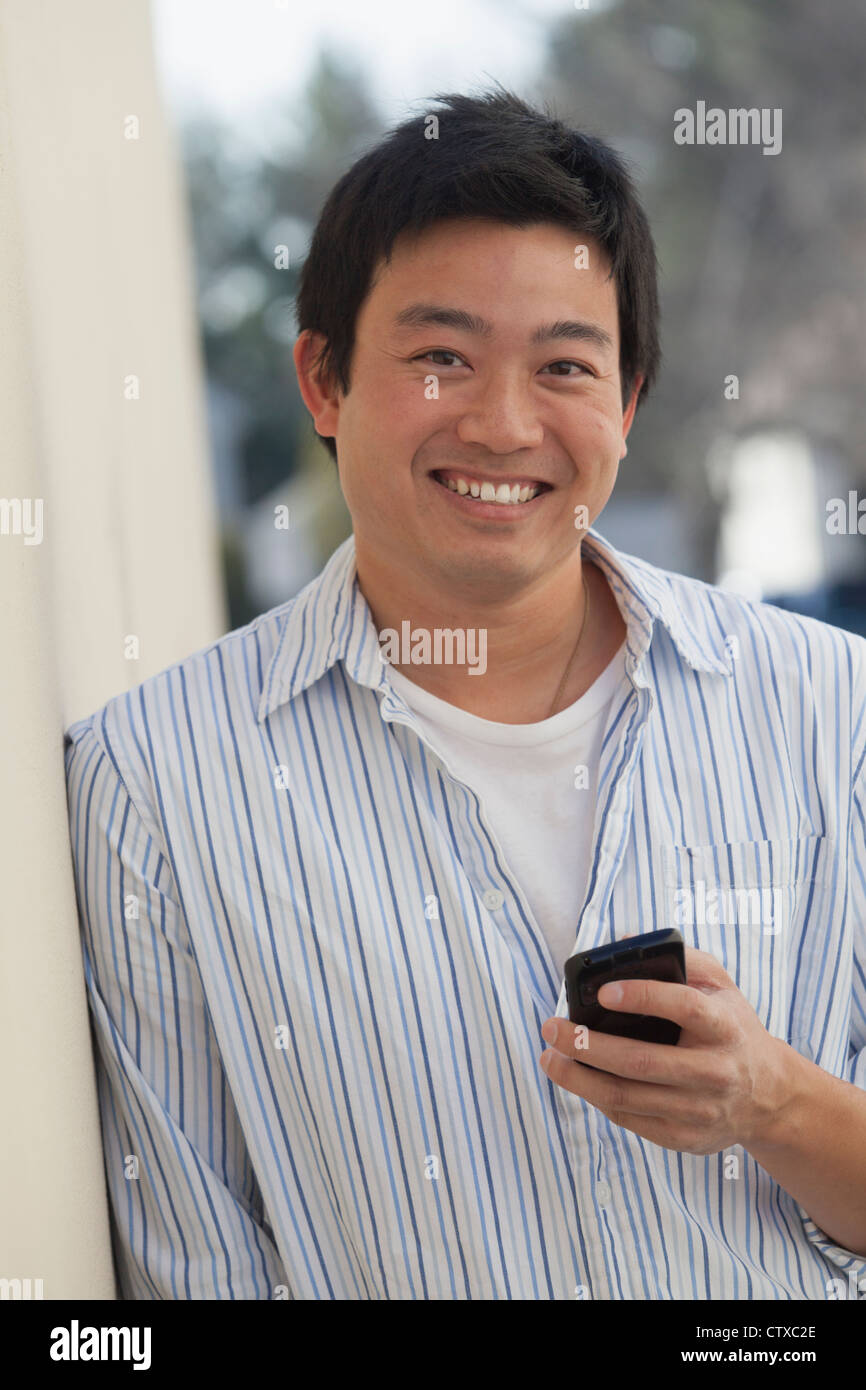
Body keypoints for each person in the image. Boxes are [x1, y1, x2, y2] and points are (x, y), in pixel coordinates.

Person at [65, 86, 866, 1300]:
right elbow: (193, 1269)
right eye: (440, 357)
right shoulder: (152, 780)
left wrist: (774, 1101)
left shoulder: (829, 707)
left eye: (562, 366)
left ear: (626, 404)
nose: (502, 424)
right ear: (323, 382)